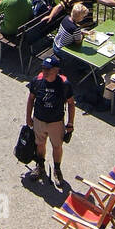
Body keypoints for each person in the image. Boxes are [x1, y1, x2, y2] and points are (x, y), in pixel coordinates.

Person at [25, 56, 76, 186]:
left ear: (56, 70)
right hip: (39, 120)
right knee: (40, 144)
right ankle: (40, 166)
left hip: (56, 122)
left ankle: (57, 169)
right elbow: (31, 99)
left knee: (57, 146)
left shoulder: (64, 84)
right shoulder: (37, 81)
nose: (45, 71)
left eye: (48, 69)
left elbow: (71, 104)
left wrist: (70, 123)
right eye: (43, 68)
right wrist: (28, 117)